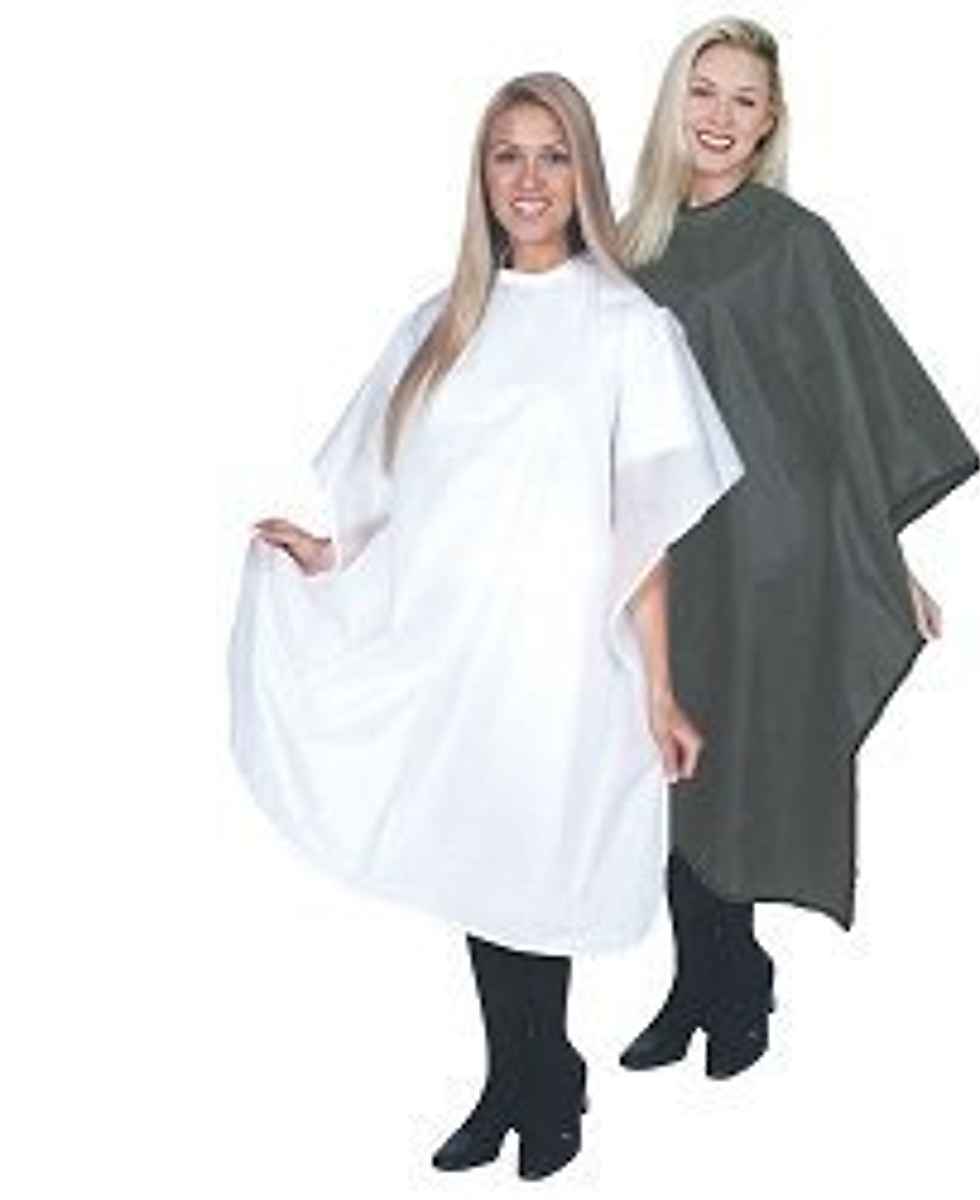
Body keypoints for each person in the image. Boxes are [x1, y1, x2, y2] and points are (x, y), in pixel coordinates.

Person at [227, 72, 742, 1180]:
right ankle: (518, 1077)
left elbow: (646, 524)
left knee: (534, 868)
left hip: (564, 655)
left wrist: (660, 689)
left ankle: (544, 1078)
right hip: (457, 648)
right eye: (508, 155)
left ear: (583, 174)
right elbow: (401, 492)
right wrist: (328, 553)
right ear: (482, 174)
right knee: (480, 861)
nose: (530, 179)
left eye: (552, 156)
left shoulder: (625, 327)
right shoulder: (442, 322)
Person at [617, 18, 980, 1080]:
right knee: (656, 766)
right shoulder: (628, 246)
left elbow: (852, 404)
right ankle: (700, 978)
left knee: (730, 761)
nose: (720, 116)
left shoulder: (792, 242)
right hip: (663, 547)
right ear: (673, 101)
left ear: (771, 119)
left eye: (745, 99)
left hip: (769, 547)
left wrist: (881, 557)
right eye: (705, 91)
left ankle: (731, 985)